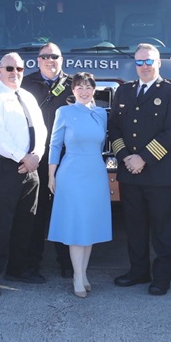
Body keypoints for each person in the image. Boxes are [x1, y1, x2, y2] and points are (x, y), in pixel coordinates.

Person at [109, 43, 171, 296]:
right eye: (139, 62)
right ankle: (138, 271)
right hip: (130, 172)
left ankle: (162, 277)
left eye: (149, 62)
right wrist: (125, 157)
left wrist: (142, 158)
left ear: (159, 63)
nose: (144, 67)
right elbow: (115, 128)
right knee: (135, 225)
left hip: (159, 173)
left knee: (163, 228)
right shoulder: (124, 91)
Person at [0, 52, 48, 296]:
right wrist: (23, 158)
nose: (15, 73)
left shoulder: (27, 96)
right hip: (4, 167)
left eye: (19, 69)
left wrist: (36, 155)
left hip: (30, 166)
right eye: (9, 69)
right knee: (2, 223)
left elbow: (41, 129)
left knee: (26, 221)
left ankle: (18, 268)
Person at [48, 72, 112, 298]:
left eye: (88, 87)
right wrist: (51, 175)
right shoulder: (63, 112)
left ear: (94, 90)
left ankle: (83, 273)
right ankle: (76, 275)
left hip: (95, 171)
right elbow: (54, 145)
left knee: (89, 225)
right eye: (79, 87)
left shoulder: (101, 114)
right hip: (71, 172)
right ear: (72, 90)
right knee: (76, 225)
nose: (84, 91)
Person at [21, 42, 75, 278]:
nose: (50, 60)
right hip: (38, 156)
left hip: (67, 158)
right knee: (36, 210)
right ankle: (32, 262)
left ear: (62, 59)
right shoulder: (25, 84)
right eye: (45, 56)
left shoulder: (75, 84)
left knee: (65, 210)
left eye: (55, 56)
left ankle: (67, 262)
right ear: (37, 60)